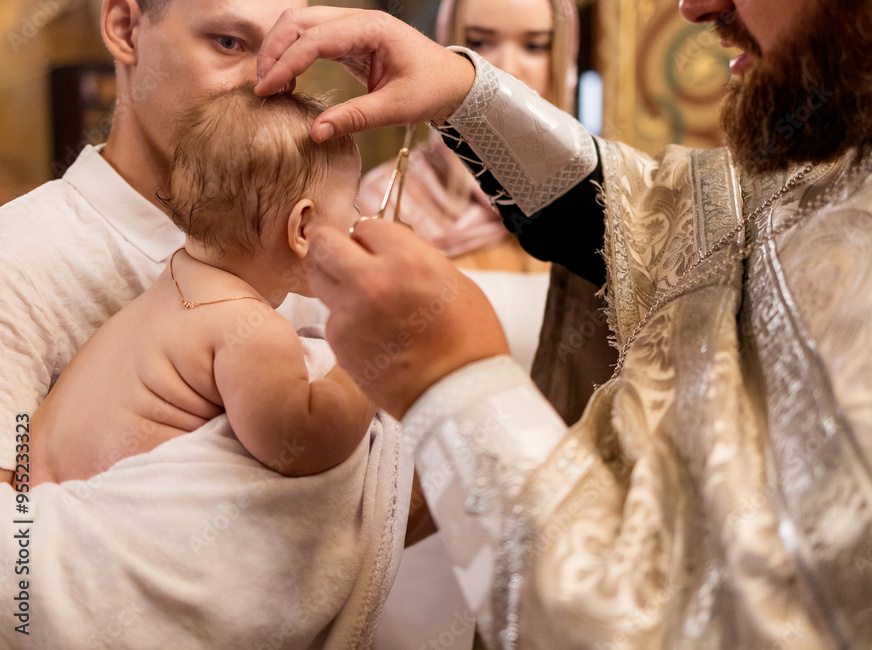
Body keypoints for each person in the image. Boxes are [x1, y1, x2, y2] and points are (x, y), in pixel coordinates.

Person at [255, 1, 872, 648]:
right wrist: (468, 95)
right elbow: (689, 229)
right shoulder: (870, 110)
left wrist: (454, 383)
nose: (695, 9)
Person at [0, 1, 405, 646]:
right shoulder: (15, 261)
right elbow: (16, 568)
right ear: (125, 27)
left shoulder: (235, 265)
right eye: (227, 42)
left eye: (290, 52)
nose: (268, 84)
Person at [27, 86, 374, 486]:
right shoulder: (252, 329)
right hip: (88, 528)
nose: (358, 221)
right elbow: (303, 442)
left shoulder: (174, 279)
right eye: (354, 205)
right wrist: (367, 358)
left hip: (33, 497)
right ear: (301, 228)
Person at [357, 0, 616, 423]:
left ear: (563, 57)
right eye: (478, 42)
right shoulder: (390, 197)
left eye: (534, 46)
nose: (504, 67)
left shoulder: (601, 210)